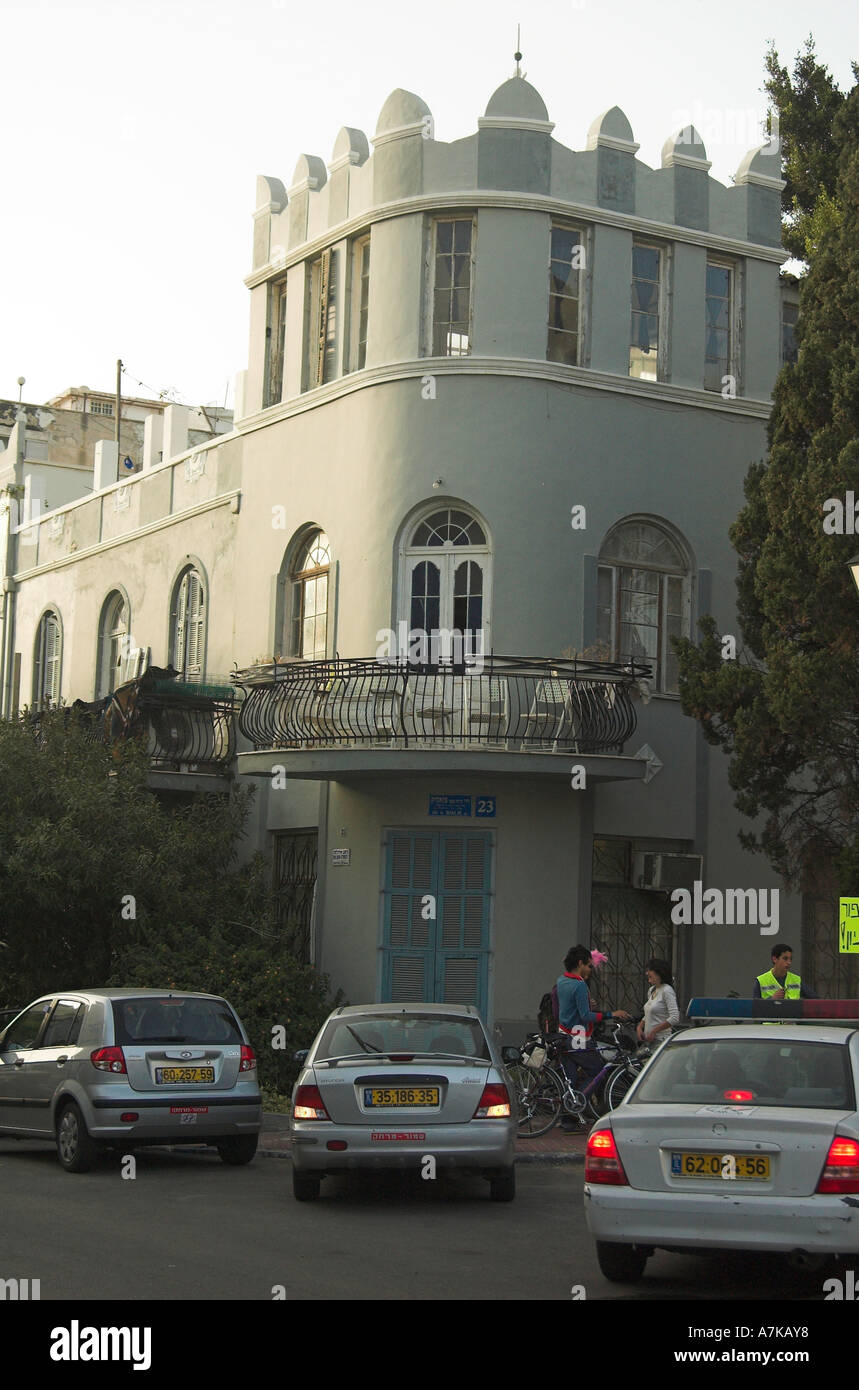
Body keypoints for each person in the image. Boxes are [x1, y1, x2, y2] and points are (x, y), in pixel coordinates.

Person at [556, 945, 630, 1132]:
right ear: (580, 963)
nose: (590, 970)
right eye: (589, 966)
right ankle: (573, 1107)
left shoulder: (562, 981)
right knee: (596, 1070)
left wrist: (586, 1005)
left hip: (563, 1034)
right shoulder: (579, 984)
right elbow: (586, 1016)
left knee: (571, 1079)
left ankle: (568, 1121)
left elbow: (569, 1008)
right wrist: (611, 1014)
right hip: (579, 1036)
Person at [636, 958, 680, 1045]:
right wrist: (640, 1026)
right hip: (648, 1039)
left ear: (659, 974)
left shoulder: (667, 990)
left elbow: (674, 1017)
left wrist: (654, 1031)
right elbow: (649, 1013)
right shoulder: (652, 990)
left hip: (661, 1039)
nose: (649, 980)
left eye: (651, 977)